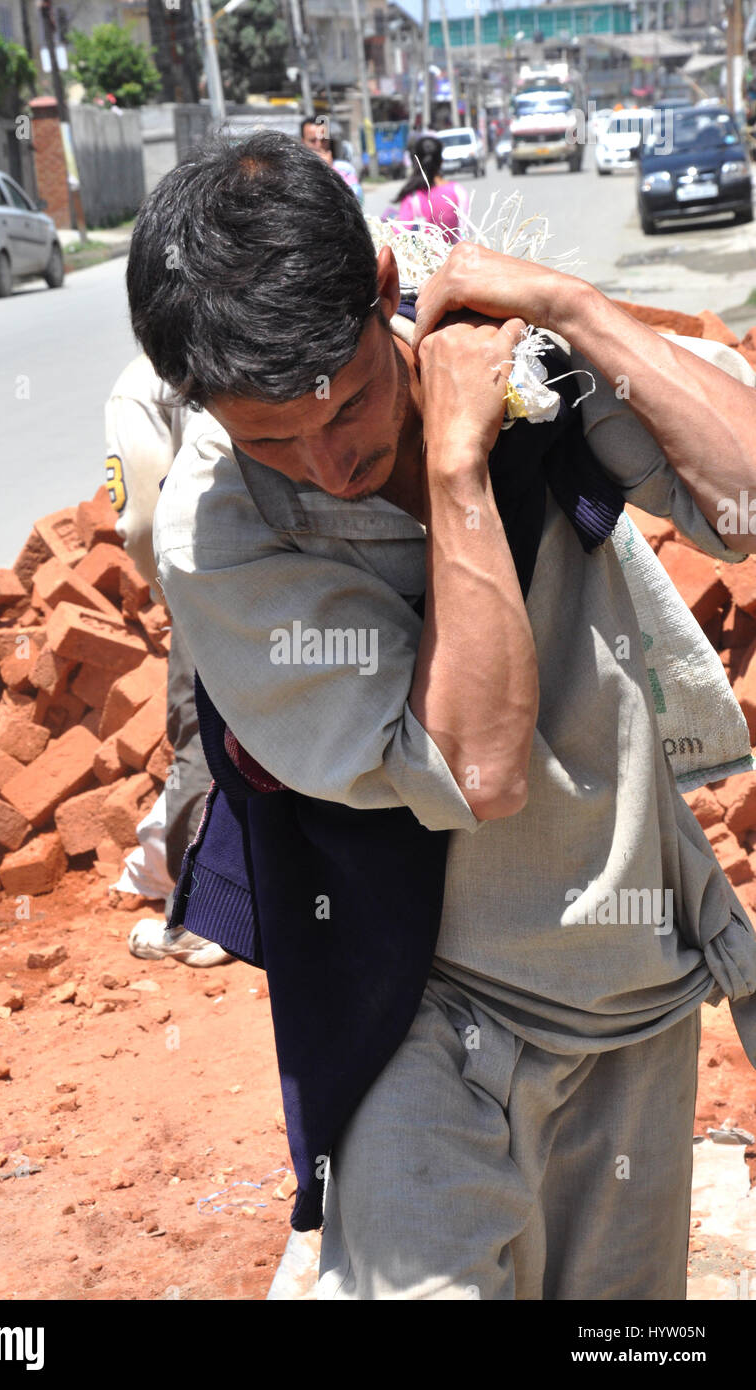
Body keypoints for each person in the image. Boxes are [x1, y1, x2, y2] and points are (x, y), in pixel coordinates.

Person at [127, 131, 756, 1299]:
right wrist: (457, 471)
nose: (326, 458)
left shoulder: (515, 361)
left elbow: (743, 492)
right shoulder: (221, 529)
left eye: (349, 403)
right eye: (273, 438)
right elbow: (474, 769)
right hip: (418, 1007)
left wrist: (566, 303)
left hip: (625, 977)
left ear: (382, 290)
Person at [104, 354, 233, 968]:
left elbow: (138, 521)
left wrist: (167, 596)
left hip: (211, 571)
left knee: (198, 741)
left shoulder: (139, 385)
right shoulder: (264, 329)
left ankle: (198, 919)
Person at [395, 133, 470, 241]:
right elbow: (464, 232)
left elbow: (400, 234)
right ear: (441, 161)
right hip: (456, 255)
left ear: (416, 162)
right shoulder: (458, 191)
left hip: (424, 257)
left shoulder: (413, 197)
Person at [300, 114, 364, 204]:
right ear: (303, 142)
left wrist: (330, 172)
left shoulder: (345, 169)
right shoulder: (297, 170)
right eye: (312, 141)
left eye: (323, 140)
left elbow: (356, 201)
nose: (319, 145)